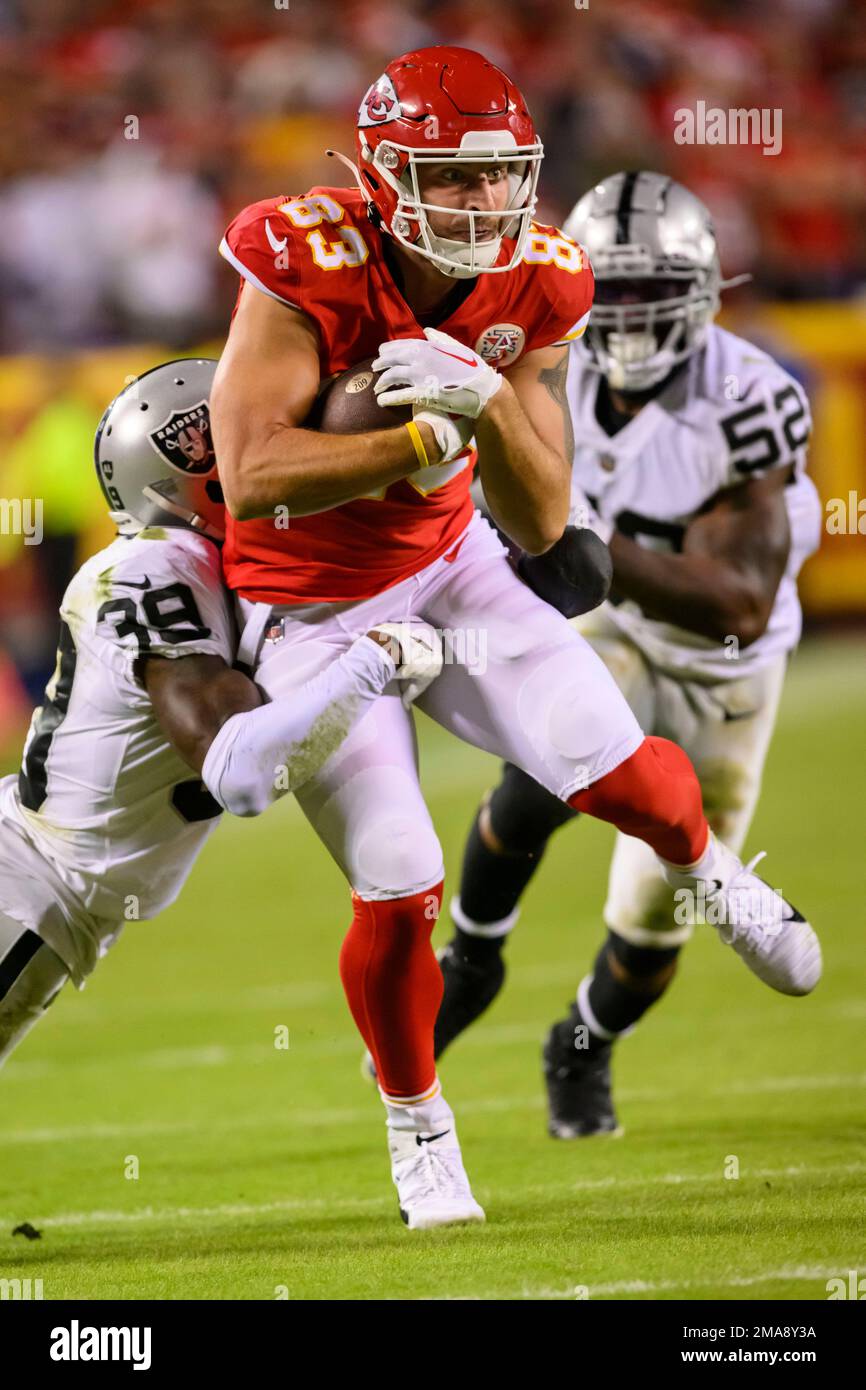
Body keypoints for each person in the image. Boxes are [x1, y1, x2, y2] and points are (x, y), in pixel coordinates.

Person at [211, 52, 819, 1229]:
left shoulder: (536, 277)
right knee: (396, 881)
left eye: (501, 175)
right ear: (386, 176)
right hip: (315, 610)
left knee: (615, 766)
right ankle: (419, 1128)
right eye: (456, 176)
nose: (486, 202)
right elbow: (251, 477)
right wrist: (415, 447)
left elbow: (545, 518)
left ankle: (712, 872)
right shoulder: (303, 259)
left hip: (453, 569)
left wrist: (485, 401)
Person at [433, 172, 823, 1139]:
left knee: (654, 923)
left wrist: (581, 535)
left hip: (724, 665)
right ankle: (472, 957)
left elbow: (738, 599)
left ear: (702, 293)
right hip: (616, 634)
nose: (635, 319)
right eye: (618, 294)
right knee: (546, 759)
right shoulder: (542, 364)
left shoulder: (748, 398)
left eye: (658, 293)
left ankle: (582, 1043)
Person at [0, 359, 441, 1073]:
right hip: (29, 885)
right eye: (252, 436)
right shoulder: (156, 570)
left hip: (51, 893)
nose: (281, 452)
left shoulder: (207, 566)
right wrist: (377, 659)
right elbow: (242, 770)